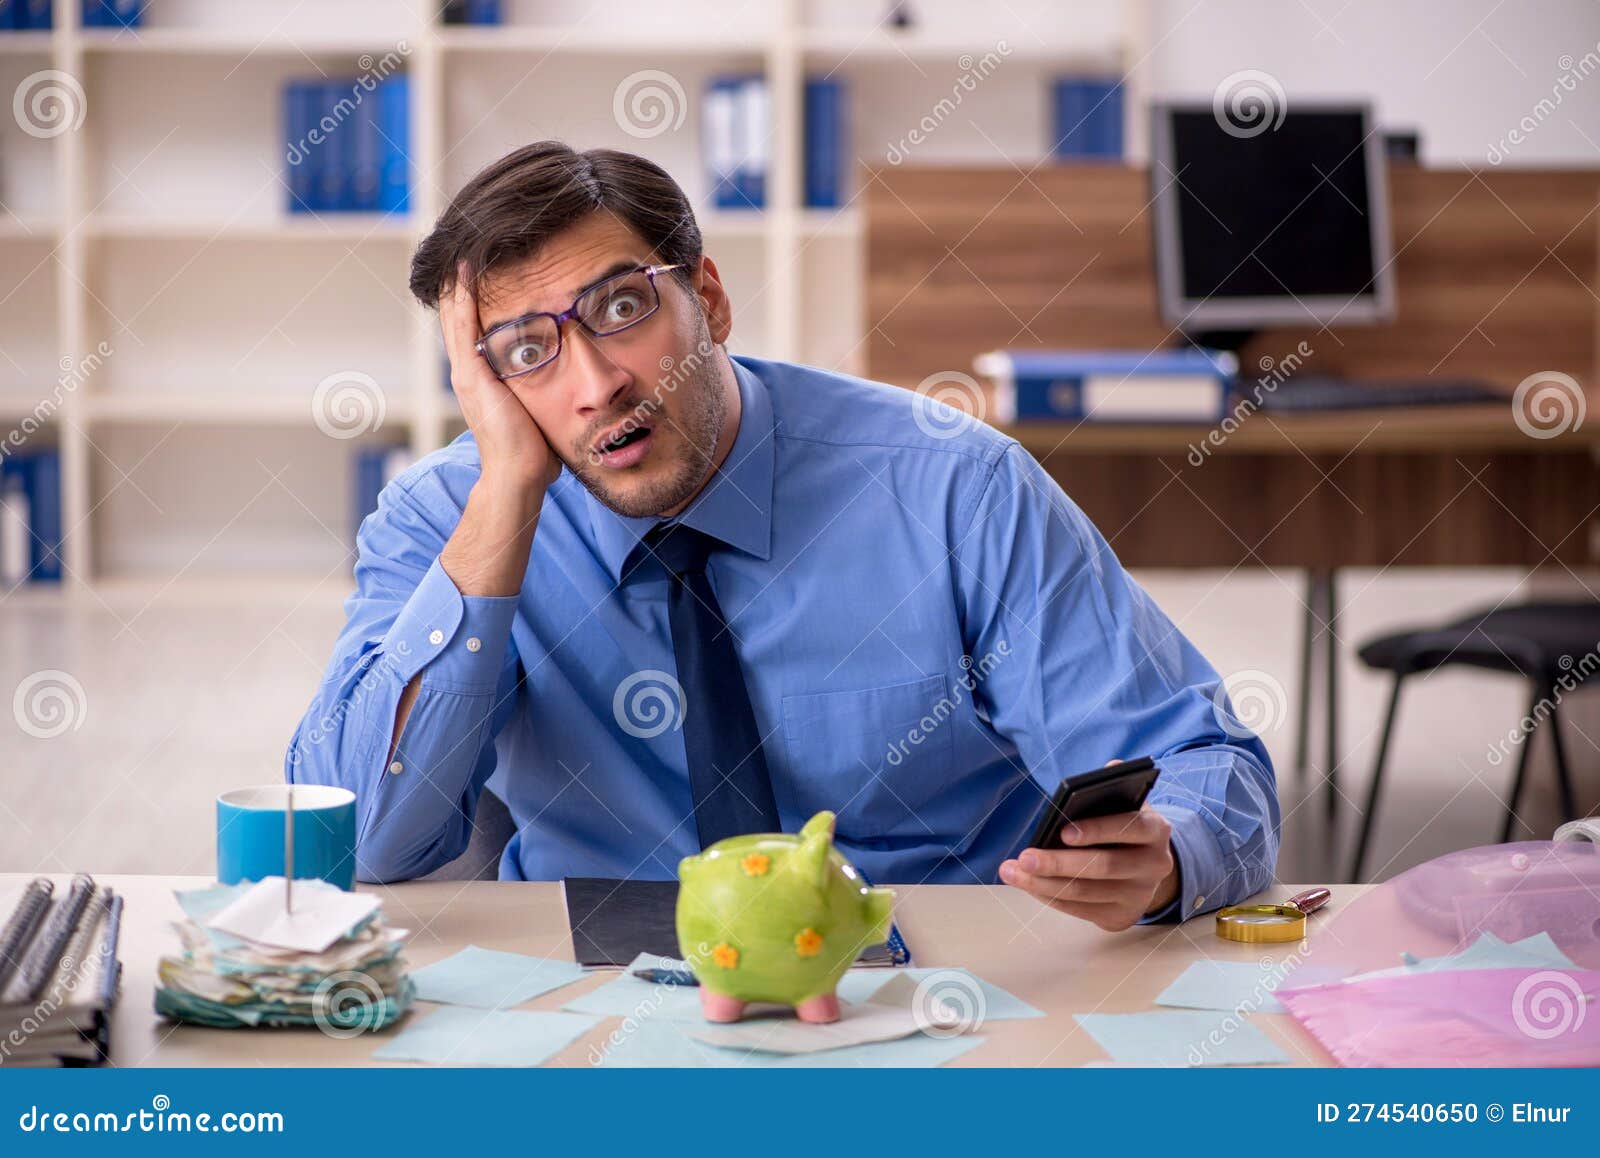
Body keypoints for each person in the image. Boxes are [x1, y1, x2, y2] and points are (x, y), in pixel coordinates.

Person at [287, 142, 1279, 931]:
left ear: (709, 299)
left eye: (622, 309)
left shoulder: (952, 486)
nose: (595, 386)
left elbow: (1208, 768)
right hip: (604, 988)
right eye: (526, 353)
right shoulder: (446, 519)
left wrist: (1164, 859)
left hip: (925, 980)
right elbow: (354, 840)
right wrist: (505, 494)